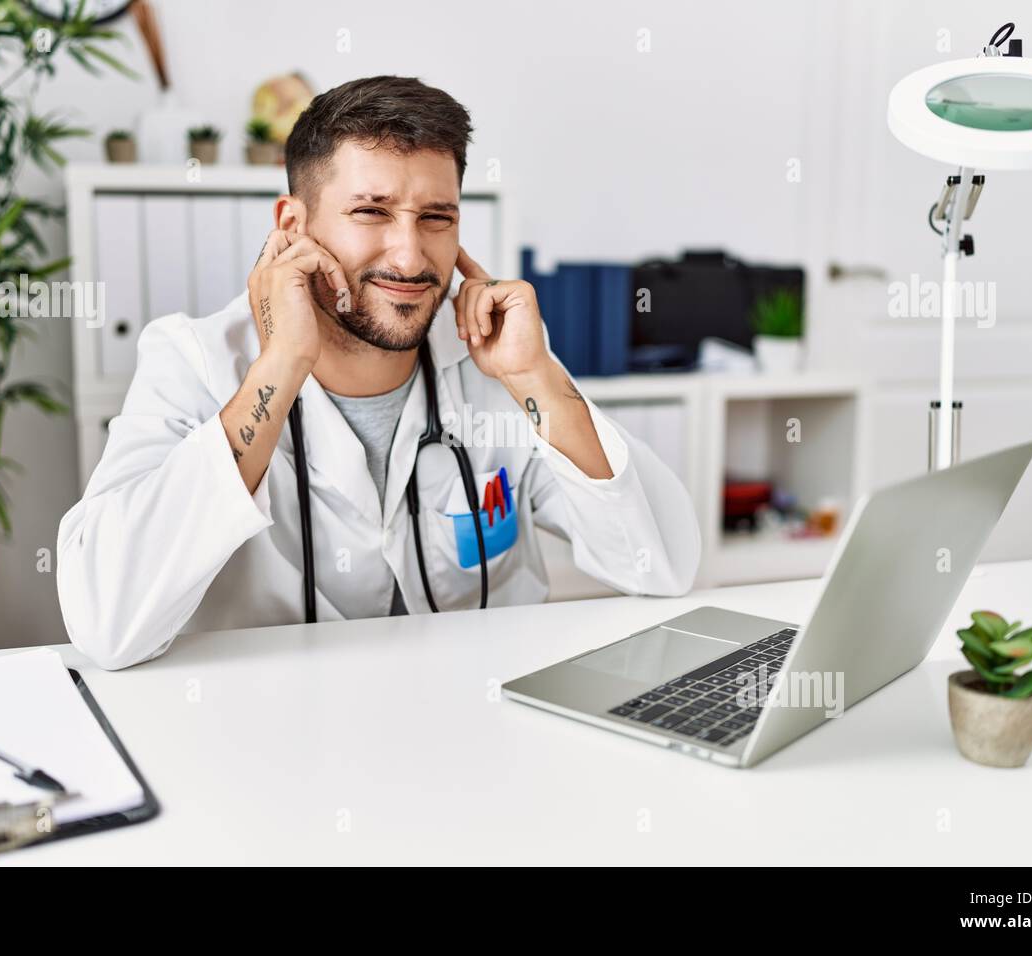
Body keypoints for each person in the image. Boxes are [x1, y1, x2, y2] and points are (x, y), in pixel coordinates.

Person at [56, 75, 700, 670]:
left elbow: (661, 566)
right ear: (293, 225)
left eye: (436, 217)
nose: (410, 255)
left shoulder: (497, 355)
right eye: (371, 211)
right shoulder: (194, 360)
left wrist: (534, 377)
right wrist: (281, 364)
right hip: (274, 749)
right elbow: (107, 625)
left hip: (485, 734)